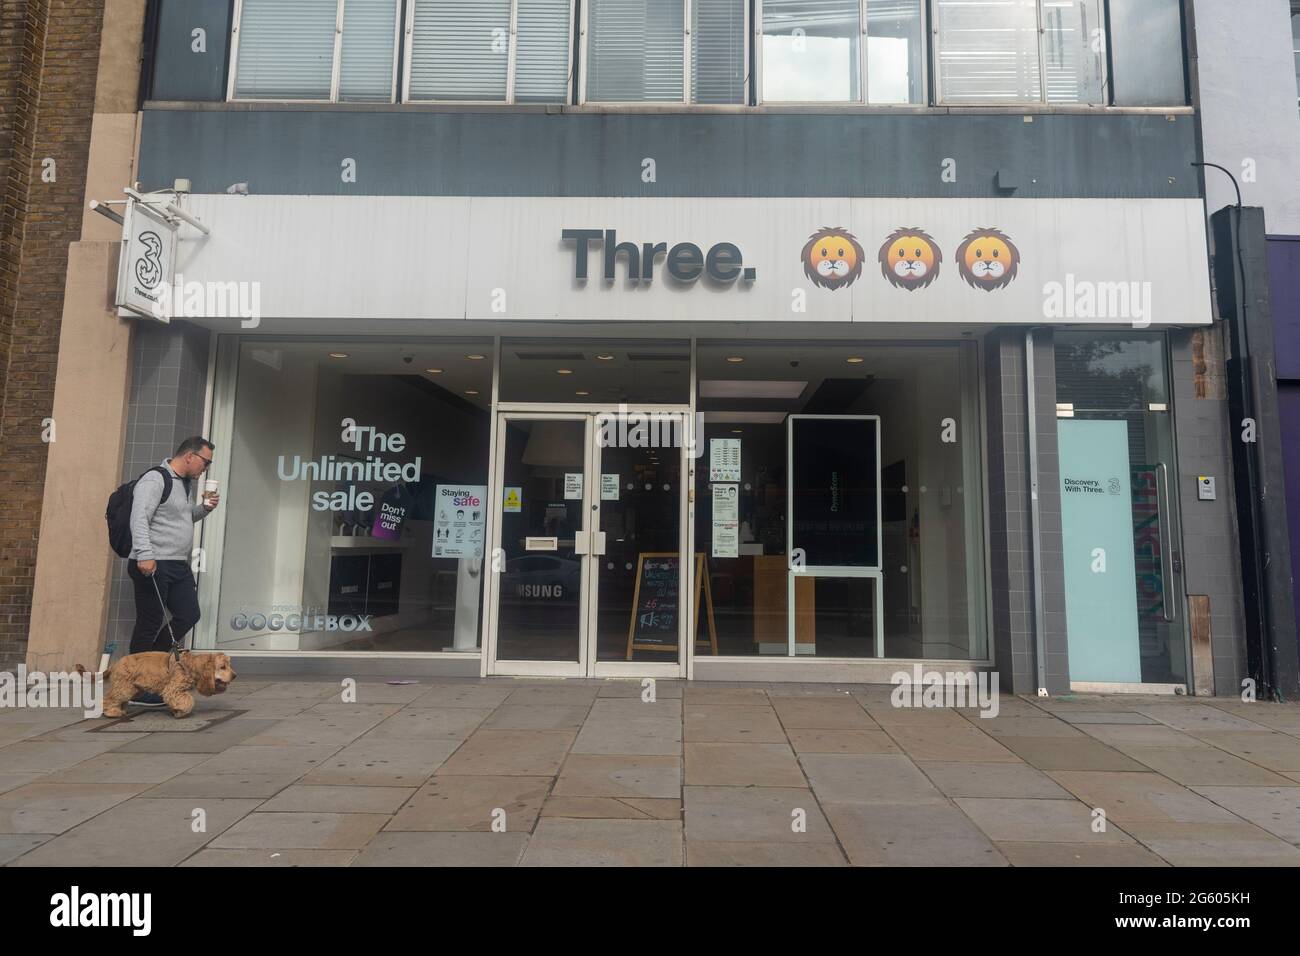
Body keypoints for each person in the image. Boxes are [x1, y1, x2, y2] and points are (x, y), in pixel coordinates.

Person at [126, 437, 221, 707]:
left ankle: (154, 668)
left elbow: (182, 518)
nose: (206, 468)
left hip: (177, 563)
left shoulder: (183, 483)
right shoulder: (156, 480)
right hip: (153, 562)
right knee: (149, 622)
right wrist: (145, 554)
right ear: (189, 456)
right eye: (205, 462)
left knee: (189, 614)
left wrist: (204, 508)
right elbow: (139, 517)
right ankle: (137, 686)